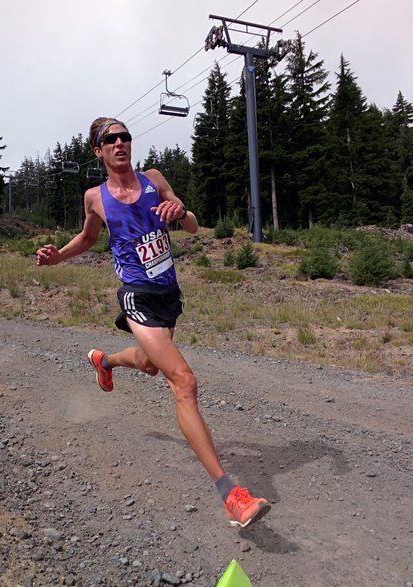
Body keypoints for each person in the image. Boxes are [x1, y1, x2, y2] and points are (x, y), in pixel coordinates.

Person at [36, 117, 270, 528]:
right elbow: (88, 238)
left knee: (148, 364)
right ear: (98, 151)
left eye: (125, 136)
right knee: (184, 381)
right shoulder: (95, 197)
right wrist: (59, 257)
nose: (120, 143)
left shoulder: (154, 179)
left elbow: (193, 225)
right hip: (137, 295)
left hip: (168, 294)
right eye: (110, 139)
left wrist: (181, 212)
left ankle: (105, 361)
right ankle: (230, 494)